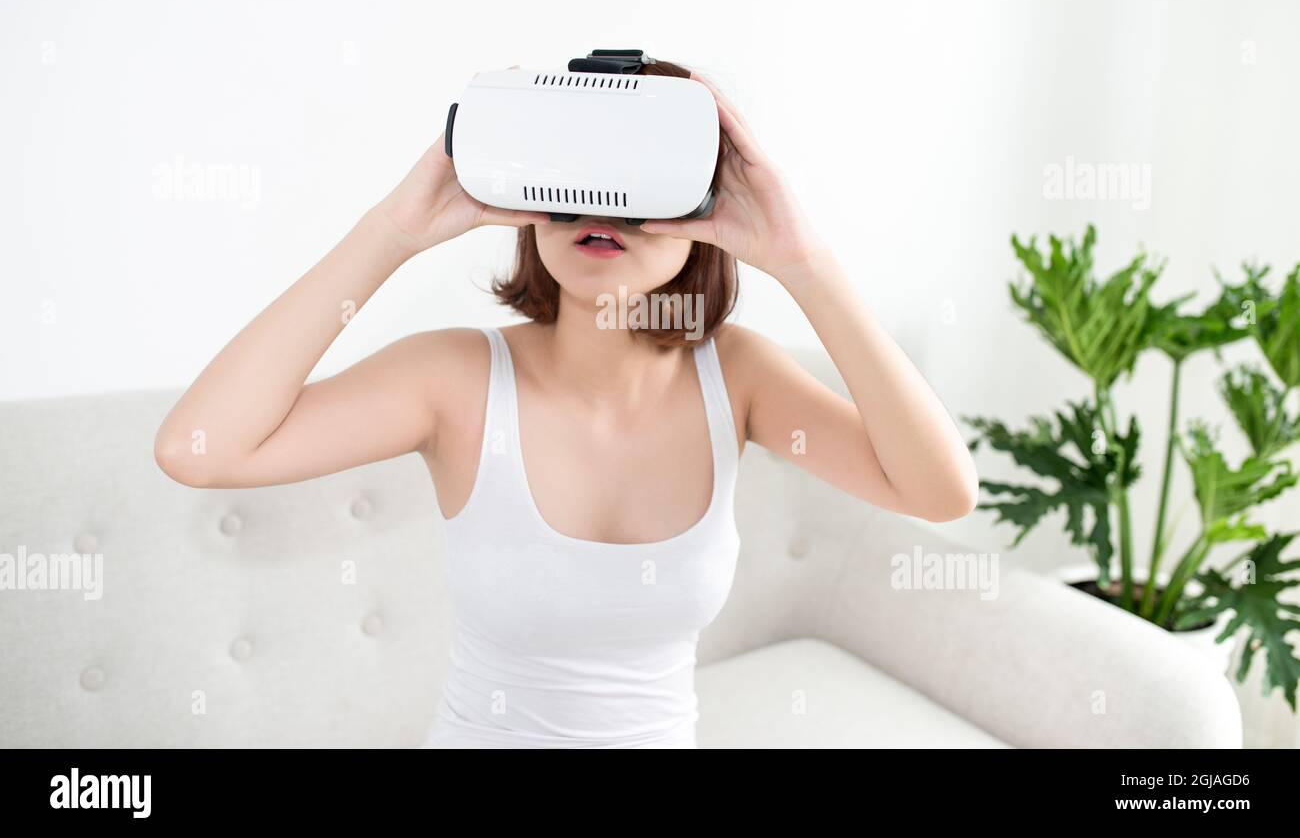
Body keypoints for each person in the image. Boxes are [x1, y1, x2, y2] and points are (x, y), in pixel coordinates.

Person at [154, 58, 978, 748]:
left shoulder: (742, 380)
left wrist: (803, 261)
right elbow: (196, 447)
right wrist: (395, 228)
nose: (601, 209)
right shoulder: (457, 382)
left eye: (636, 181)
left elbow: (940, 491)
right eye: (578, 176)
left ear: (702, 208)